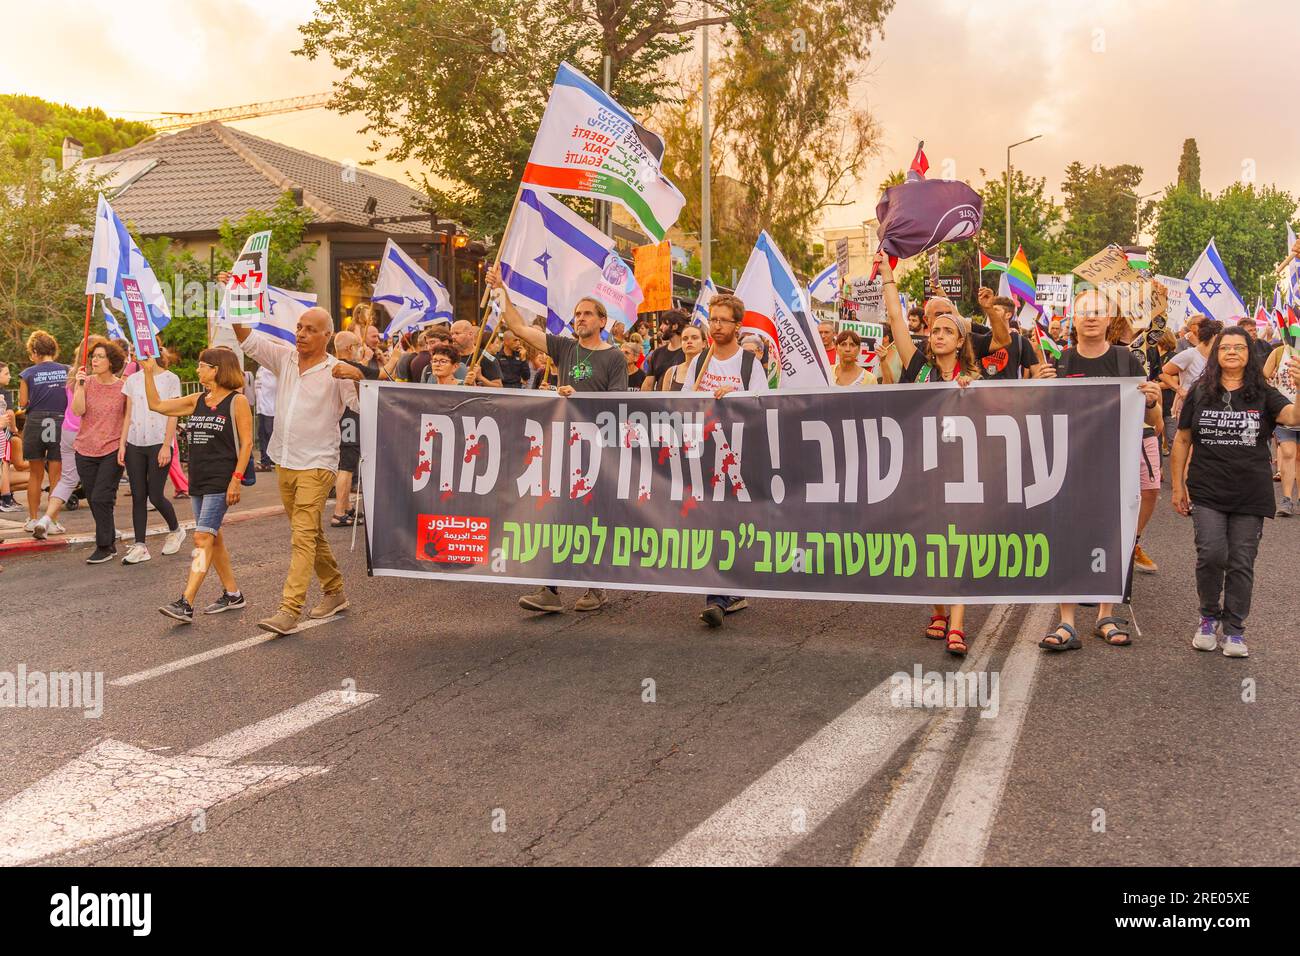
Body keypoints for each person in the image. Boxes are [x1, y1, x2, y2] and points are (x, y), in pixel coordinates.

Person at [486, 264, 626, 613]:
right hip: (563, 446)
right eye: (577, 314)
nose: (580, 318)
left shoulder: (613, 357)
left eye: (588, 314)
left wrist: (576, 397)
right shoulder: (564, 348)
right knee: (556, 514)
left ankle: (596, 587)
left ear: (602, 322)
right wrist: (501, 290)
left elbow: (619, 403)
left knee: (592, 519)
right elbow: (517, 327)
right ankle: (549, 589)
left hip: (597, 450)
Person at [1037, 288, 1164, 651]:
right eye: (1084, 311)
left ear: (1110, 320)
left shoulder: (1126, 361)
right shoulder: (1059, 361)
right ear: (1073, 319)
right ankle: (1066, 622)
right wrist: (1042, 390)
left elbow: (1153, 420)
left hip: (1115, 464)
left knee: (1112, 535)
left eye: (1098, 311)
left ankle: (1105, 616)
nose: (1091, 317)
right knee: (1068, 537)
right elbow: (1046, 418)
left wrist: (1153, 399)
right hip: (1071, 465)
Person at [1172, 326, 1299, 658]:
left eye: (1238, 348)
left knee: (1242, 562)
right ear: (1216, 354)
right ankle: (1207, 617)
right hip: (1207, 489)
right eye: (1225, 347)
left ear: (1249, 354)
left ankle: (1235, 630)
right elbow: (1182, 439)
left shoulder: (1264, 392)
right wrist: (1177, 487)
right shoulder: (1200, 391)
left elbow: (1294, 417)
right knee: (1212, 555)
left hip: (1250, 492)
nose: (1231, 352)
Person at [233, 308, 361, 635]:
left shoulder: (337, 370)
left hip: (317, 463)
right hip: (284, 459)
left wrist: (360, 373)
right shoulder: (285, 358)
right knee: (310, 532)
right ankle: (334, 591)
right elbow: (247, 338)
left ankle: (289, 610)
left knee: (301, 535)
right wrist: (235, 299)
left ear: (326, 336)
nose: (301, 334)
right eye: (299, 328)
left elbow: (361, 405)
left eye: (309, 330)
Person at [880, 256, 977, 654]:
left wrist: (975, 393)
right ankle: (938, 611)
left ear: (959, 341)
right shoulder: (917, 367)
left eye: (946, 331)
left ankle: (956, 623)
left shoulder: (972, 379)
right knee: (925, 548)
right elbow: (897, 320)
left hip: (958, 476)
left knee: (954, 547)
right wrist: (887, 276)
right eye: (933, 330)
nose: (937, 335)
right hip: (919, 471)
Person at [143, 351, 252, 622]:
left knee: (202, 538)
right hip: (199, 479)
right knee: (214, 538)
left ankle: (186, 601)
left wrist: (236, 479)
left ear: (216, 370)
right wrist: (147, 372)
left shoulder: (237, 401)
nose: (197, 371)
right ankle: (233, 594)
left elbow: (248, 443)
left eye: (201, 366)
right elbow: (156, 405)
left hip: (221, 479)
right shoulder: (198, 400)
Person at [682, 292, 770, 628]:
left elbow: (763, 408)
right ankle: (725, 592)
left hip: (738, 459)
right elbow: (683, 405)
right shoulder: (700, 361)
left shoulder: (749, 365)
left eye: (722, 320)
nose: (716, 326)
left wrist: (734, 400)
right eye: (712, 319)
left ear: (737, 325)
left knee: (729, 524)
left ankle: (720, 596)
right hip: (705, 456)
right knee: (713, 524)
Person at [120, 349, 186, 564]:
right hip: (135, 442)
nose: (135, 354)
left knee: (155, 496)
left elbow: (173, 413)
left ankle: (176, 530)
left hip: (159, 442)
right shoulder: (132, 380)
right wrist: (122, 444)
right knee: (138, 495)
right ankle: (140, 545)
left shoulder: (171, 379)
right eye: (132, 351)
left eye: (138, 350)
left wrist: (167, 445)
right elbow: (128, 414)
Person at [71, 340, 128, 564]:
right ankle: (110, 540)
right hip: (84, 448)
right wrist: (79, 386)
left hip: (112, 448)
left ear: (111, 361)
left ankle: (104, 546)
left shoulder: (123, 386)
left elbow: (127, 419)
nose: (94, 360)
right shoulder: (87, 382)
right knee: (97, 500)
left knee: (101, 496)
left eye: (100, 356)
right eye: (93, 356)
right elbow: (78, 411)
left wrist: (123, 445)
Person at [17, 331, 69, 530]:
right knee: (56, 475)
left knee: (35, 474)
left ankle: (32, 519)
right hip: (59, 421)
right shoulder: (67, 370)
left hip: (36, 422)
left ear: (35, 351)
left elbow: (23, 403)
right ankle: (52, 520)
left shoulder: (28, 373)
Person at [329, 332, 368, 528]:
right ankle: (339, 512)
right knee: (346, 466)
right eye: (359, 345)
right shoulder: (346, 368)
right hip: (349, 420)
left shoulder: (333, 365)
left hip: (343, 421)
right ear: (351, 348)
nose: (361, 348)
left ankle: (345, 507)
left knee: (346, 465)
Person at [1262, 335, 1299, 515]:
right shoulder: (1278, 353)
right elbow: (1263, 376)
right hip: (1283, 409)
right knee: (1288, 453)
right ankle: (1286, 500)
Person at [640, 309, 688, 391]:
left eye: (664, 324)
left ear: (675, 326)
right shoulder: (657, 353)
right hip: (659, 402)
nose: (660, 327)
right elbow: (648, 385)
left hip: (680, 402)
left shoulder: (687, 352)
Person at [449, 319, 503, 387]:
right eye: (451, 334)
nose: (453, 337)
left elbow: (498, 387)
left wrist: (480, 378)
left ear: (470, 334)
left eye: (457, 333)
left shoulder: (485, 357)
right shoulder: (448, 355)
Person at [659, 324, 708, 391]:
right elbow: (665, 400)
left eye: (694, 338)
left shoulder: (712, 370)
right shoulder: (671, 372)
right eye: (685, 339)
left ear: (704, 343)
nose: (689, 341)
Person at [254, 363, 277, 470]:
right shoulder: (261, 368)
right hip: (261, 408)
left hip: (272, 409)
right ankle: (266, 461)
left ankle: (271, 460)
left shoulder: (272, 366)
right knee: (262, 435)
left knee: (270, 435)